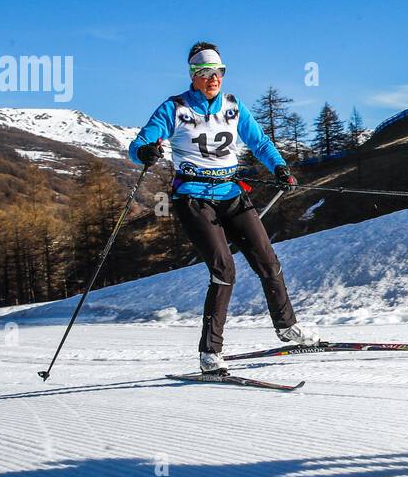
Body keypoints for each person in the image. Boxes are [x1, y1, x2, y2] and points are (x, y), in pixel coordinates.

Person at [129, 42, 319, 373]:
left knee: (268, 261)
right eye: (204, 72)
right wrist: (144, 153)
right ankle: (210, 353)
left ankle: (288, 327)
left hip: (231, 194)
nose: (212, 78)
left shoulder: (233, 106)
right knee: (224, 270)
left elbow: (259, 141)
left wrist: (280, 168)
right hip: (193, 198)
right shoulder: (174, 109)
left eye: (217, 71)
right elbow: (140, 144)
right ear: (193, 76)